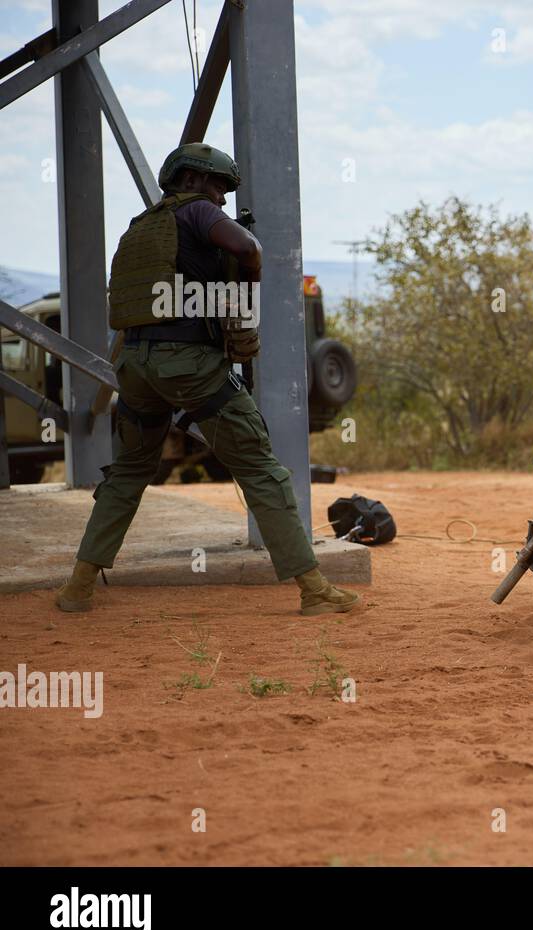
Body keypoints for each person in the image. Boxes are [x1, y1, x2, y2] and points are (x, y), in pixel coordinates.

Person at [54, 143, 359, 616]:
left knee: (129, 473)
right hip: (188, 363)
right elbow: (245, 246)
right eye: (218, 186)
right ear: (193, 180)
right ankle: (315, 591)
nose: (220, 199)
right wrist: (248, 275)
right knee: (261, 470)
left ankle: (77, 589)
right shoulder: (195, 211)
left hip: (134, 364)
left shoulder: (141, 227)